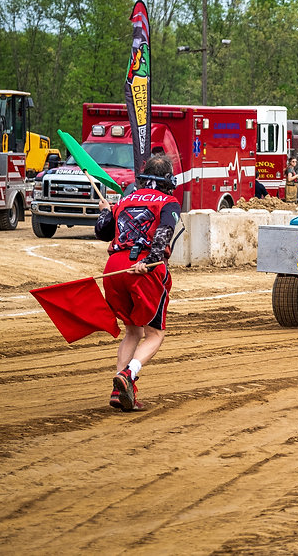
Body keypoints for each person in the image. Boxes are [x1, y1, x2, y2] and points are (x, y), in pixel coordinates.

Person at [95, 154, 181, 412]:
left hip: (114, 268)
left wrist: (105, 213)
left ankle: (117, 390)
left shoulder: (125, 198)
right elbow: (164, 232)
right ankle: (128, 376)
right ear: (167, 179)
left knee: (133, 331)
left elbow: (103, 232)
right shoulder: (169, 201)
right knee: (155, 334)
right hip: (143, 268)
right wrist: (151, 260)